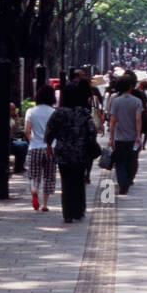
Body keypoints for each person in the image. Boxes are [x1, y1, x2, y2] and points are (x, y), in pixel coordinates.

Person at [44, 83, 98, 224]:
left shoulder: (59, 112)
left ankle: (67, 213)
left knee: (66, 182)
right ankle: (78, 210)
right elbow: (92, 130)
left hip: (63, 153)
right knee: (79, 181)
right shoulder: (84, 112)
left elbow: (50, 130)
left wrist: (49, 144)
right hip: (81, 152)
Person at [108, 73, 144, 195]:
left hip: (119, 137)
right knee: (132, 160)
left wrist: (111, 137)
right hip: (133, 137)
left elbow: (113, 120)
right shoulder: (137, 101)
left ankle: (123, 183)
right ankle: (128, 180)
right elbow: (138, 119)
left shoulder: (116, 101)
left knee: (120, 162)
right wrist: (139, 135)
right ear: (130, 87)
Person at [24, 83, 57, 211]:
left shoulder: (30, 111)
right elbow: (57, 131)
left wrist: (31, 140)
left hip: (35, 147)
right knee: (49, 175)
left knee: (34, 174)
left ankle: (34, 190)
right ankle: (44, 204)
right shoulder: (54, 112)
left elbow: (27, 130)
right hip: (51, 147)